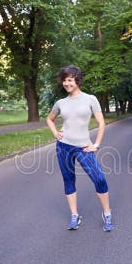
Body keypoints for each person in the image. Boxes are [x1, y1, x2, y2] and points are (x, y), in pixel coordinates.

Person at [47, 65, 114, 232]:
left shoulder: (90, 99)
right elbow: (50, 119)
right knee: (68, 180)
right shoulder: (60, 103)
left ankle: (107, 213)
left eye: (69, 80)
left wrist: (96, 144)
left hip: (84, 147)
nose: (66, 83)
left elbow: (101, 123)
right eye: (64, 80)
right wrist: (55, 132)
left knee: (99, 178)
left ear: (77, 80)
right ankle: (74, 215)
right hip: (64, 147)